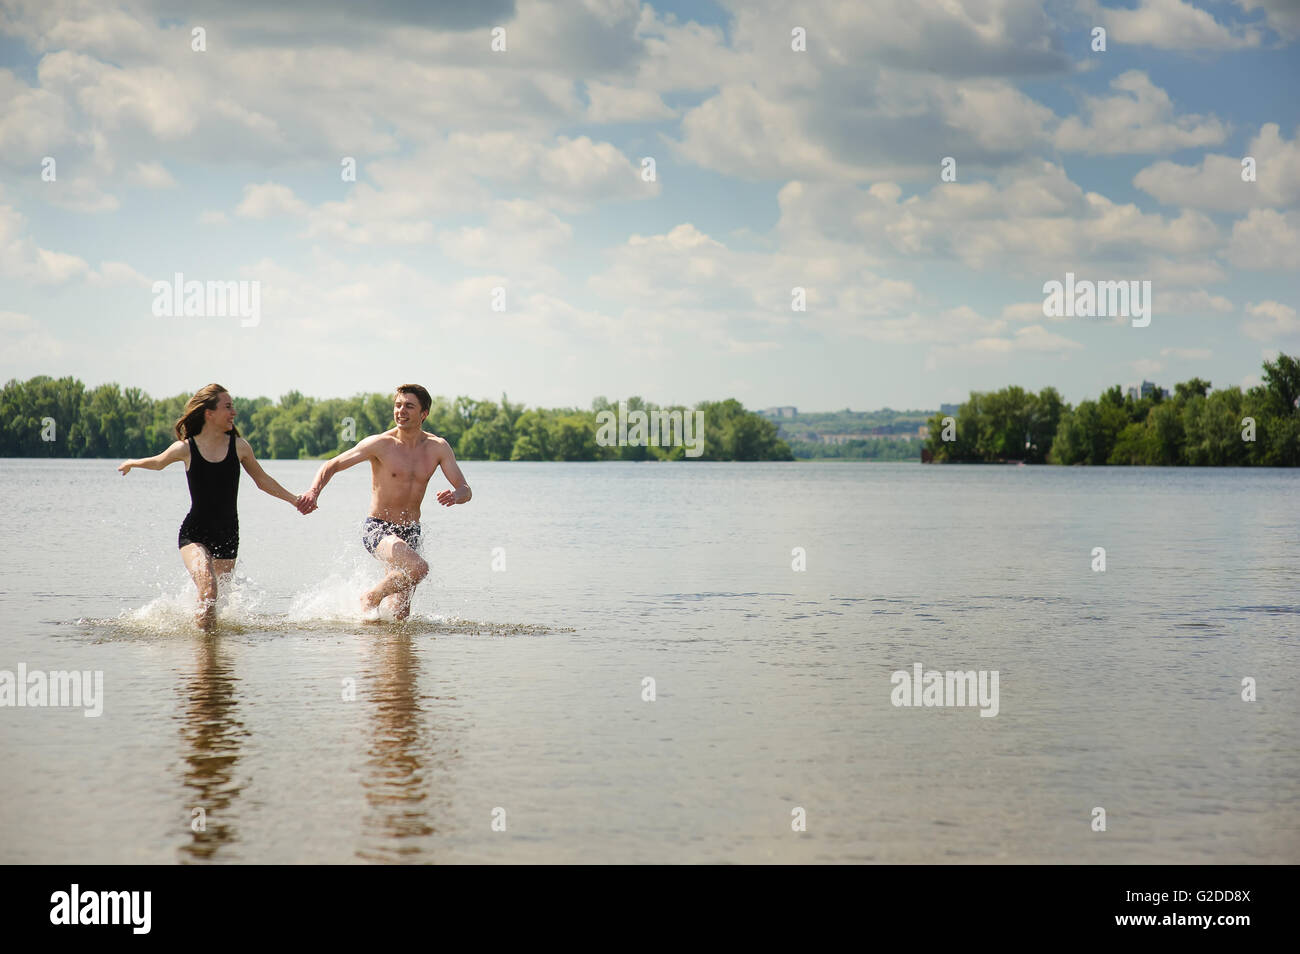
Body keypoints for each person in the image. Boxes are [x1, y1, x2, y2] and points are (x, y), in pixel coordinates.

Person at [118, 383, 308, 629]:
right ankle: (205, 657)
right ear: (209, 413)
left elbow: (263, 481)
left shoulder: (240, 447)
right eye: (227, 407)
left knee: (217, 603)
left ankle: (212, 653)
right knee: (208, 589)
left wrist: (295, 500)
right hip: (194, 533)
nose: (234, 413)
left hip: (228, 533)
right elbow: (157, 463)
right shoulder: (186, 448)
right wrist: (132, 463)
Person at [296, 383, 471, 620]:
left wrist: (456, 496)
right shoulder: (380, 444)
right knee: (418, 568)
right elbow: (332, 465)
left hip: (410, 530)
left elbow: (465, 489)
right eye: (398, 405)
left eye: (409, 406)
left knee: (400, 616)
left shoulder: (438, 447)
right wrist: (313, 492)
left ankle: (382, 647)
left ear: (424, 414)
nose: (401, 411)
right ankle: (370, 597)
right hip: (379, 528)